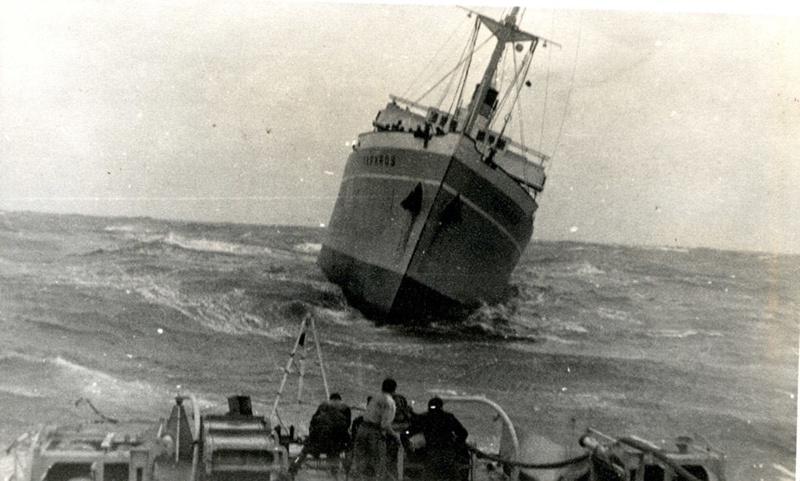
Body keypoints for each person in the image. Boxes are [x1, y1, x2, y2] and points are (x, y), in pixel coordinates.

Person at [402, 396, 469, 481]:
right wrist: (456, 446)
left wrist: (409, 449)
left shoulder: (424, 418)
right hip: (448, 454)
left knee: (430, 476)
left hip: (431, 453)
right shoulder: (448, 418)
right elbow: (463, 433)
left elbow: (407, 433)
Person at [350, 378, 401, 480]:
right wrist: (395, 436)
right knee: (378, 464)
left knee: (359, 461)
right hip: (374, 433)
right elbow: (384, 425)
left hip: (362, 429)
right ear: (394, 390)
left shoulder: (375, 398)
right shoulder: (389, 402)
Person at [289, 393, 352, 477]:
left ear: (330, 399)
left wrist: (311, 438)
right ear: (340, 400)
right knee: (346, 448)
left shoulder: (323, 405)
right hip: (335, 444)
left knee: (303, 452)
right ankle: (345, 472)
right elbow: (347, 425)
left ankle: (293, 467)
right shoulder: (345, 407)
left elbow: (313, 424)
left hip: (317, 442)